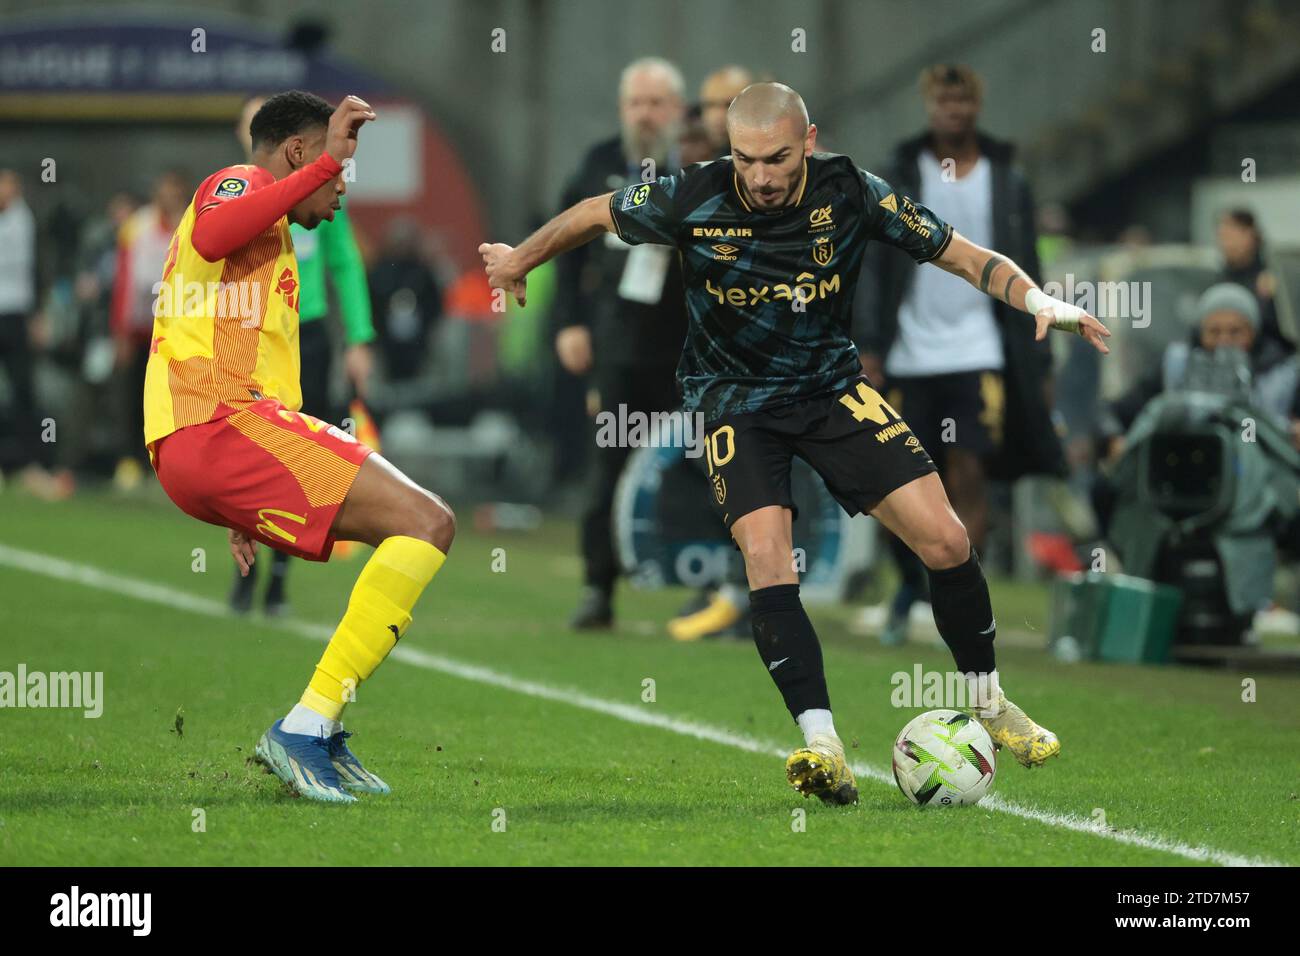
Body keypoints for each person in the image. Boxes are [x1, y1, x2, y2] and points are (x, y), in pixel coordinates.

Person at [482, 82, 1109, 804]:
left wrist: (1036, 299)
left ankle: (992, 702)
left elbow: (959, 254)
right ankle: (823, 744)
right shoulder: (693, 196)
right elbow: (595, 213)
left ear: (808, 143)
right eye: (746, 160)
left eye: (777, 158)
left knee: (946, 540)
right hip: (734, 404)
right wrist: (521, 260)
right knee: (769, 561)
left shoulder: (852, 191)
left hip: (831, 391)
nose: (761, 176)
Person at [145, 91, 455, 804]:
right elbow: (218, 232)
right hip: (213, 428)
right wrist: (322, 167)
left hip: (217, 442)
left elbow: (228, 348)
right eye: (337, 169)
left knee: (417, 525)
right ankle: (307, 726)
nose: (343, 187)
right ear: (296, 154)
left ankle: (318, 723)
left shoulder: (278, 245)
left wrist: (235, 502)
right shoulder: (238, 184)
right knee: (428, 521)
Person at [855, 64, 1058, 646]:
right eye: (943, 101)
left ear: (977, 105)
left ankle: (963, 593)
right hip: (911, 350)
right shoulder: (900, 171)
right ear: (928, 105)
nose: (953, 110)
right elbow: (874, 263)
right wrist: (869, 343)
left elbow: (1025, 264)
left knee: (970, 470)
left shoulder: (1005, 176)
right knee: (901, 482)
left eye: (963, 100)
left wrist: (1039, 360)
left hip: (980, 346)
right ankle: (908, 587)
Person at [228, 95, 379, 616]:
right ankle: (245, 574)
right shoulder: (234, 196)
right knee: (250, 450)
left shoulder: (320, 193)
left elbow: (346, 263)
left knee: (300, 454)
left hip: (305, 334)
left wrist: (358, 338)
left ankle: (281, 577)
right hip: (251, 334)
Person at [553, 57, 690, 629]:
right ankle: (598, 587)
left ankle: (708, 587)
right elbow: (565, 245)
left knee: (709, 464)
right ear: (622, 109)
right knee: (609, 461)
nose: (646, 113)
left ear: (676, 111)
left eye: (657, 102)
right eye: (636, 102)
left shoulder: (698, 166)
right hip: (620, 346)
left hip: (692, 345)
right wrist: (570, 323)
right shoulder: (599, 165)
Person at [111, 170, 192, 490]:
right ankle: (131, 461)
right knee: (134, 396)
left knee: (177, 401)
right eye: (164, 189)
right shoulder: (137, 227)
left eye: (176, 190)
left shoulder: (194, 221)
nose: (169, 196)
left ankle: (173, 467)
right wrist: (121, 330)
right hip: (142, 329)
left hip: (181, 331)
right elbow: (125, 280)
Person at [0, 169, 40, 478]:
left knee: (23, 389)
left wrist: (39, 313)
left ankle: (27, 462)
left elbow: (39, 267)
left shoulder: (26, 219)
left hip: (16, 314)